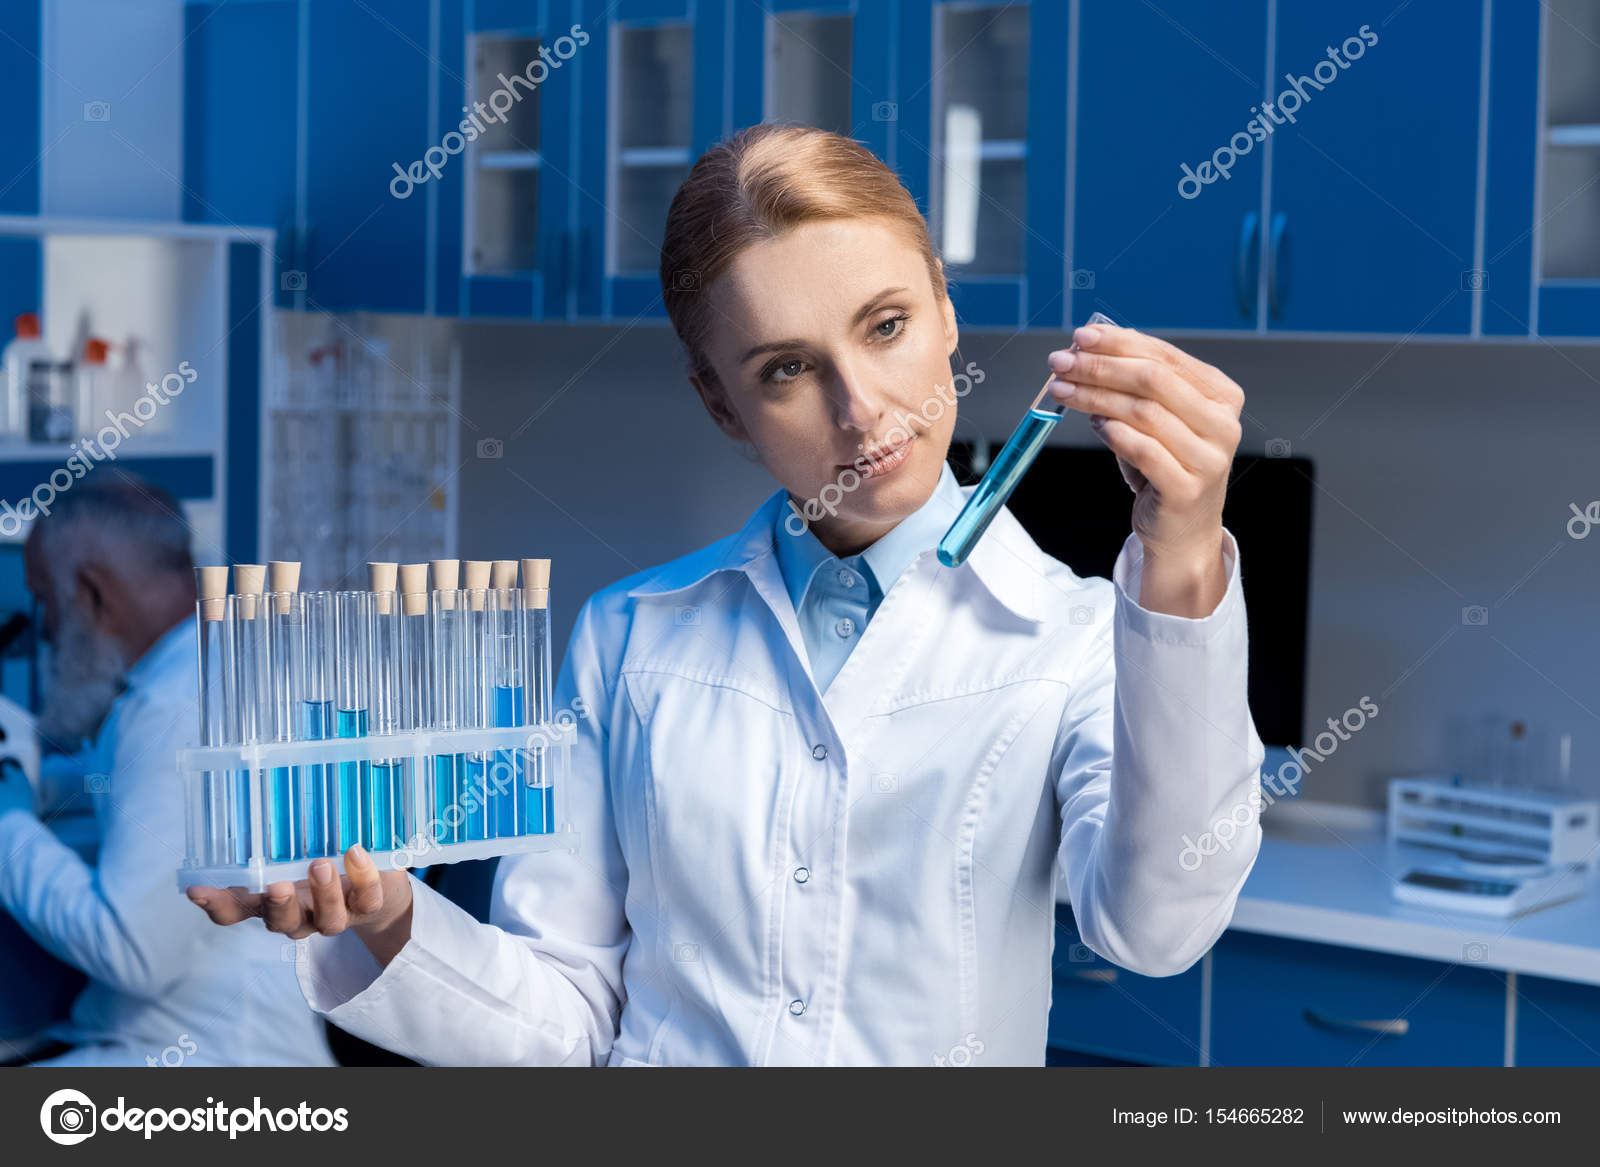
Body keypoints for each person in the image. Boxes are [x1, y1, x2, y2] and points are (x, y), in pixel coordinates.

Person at [192, 124, 1265, 1066]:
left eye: (885, 325)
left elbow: (1158, 926)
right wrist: (385, 916)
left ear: (943, 307)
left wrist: (1180, 556)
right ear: (720, 405)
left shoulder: (1079, 640)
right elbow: (567, 1020)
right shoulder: (629, 636)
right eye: (786, 371)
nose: (862, 408)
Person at [0, 477, 333, 1066]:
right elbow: (139, 785)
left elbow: (131, 950)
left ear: (90, 593)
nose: (47, 631)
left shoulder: (173, 708)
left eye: (46, 601)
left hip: (213, 1067)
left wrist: (9, 826)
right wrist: (42, 783)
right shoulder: (209, 666)